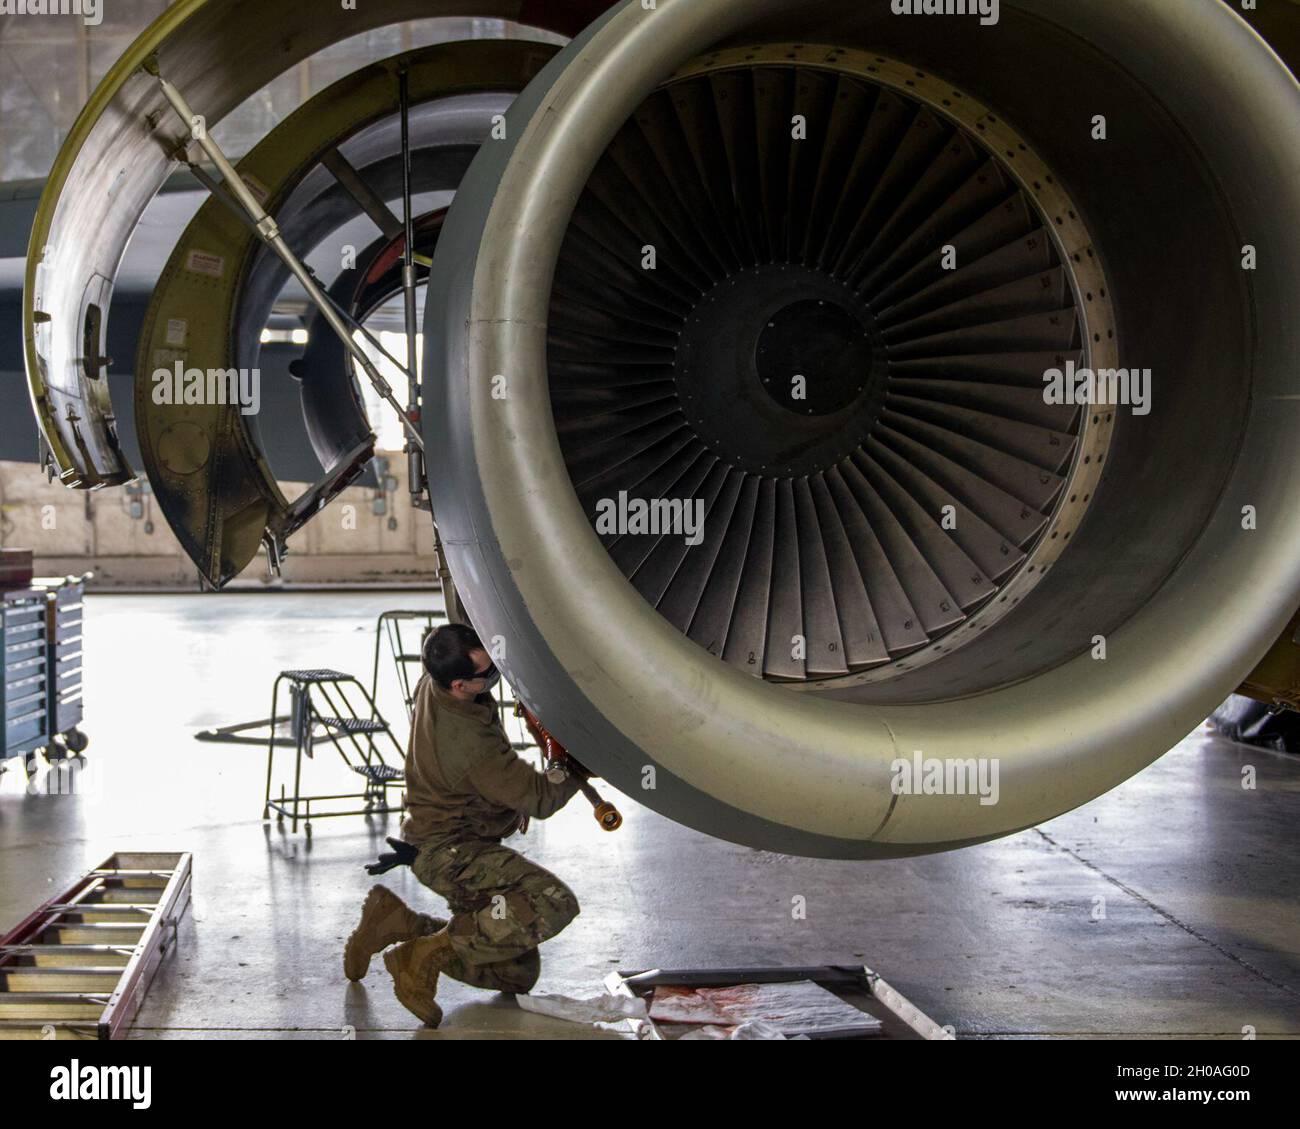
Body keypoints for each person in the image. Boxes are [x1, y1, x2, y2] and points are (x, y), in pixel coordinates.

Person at [343, 622, 584, 1027]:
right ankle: (419, 958)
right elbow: (541, 798)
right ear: (459, 685)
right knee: (553, 901)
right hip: (451, 852)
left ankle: (399, 924)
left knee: (516, 974)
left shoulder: (435, 675)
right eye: (487, 675)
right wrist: (572, 763)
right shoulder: (470, 743)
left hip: (436, 837)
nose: (494, 676)